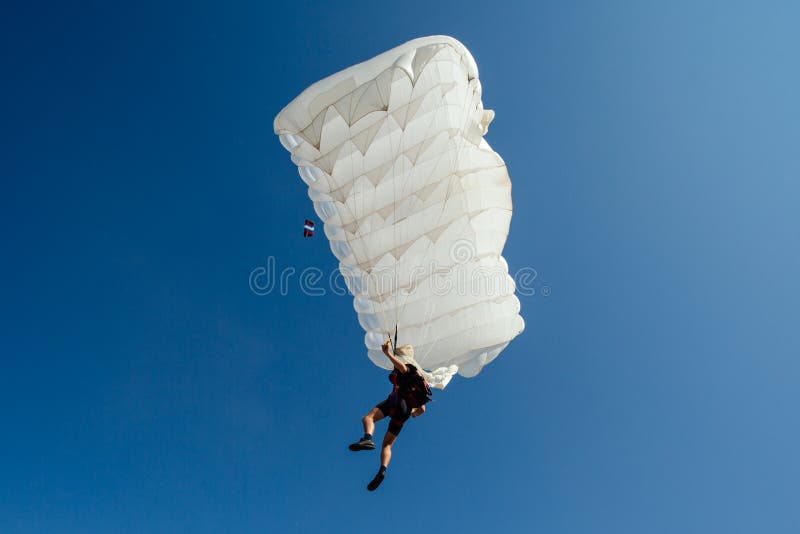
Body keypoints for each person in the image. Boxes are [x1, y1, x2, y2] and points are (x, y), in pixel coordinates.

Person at [349, 338, 432, 491]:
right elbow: (422, 410)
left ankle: (367, 439)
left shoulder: (408, 368)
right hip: (406, 412)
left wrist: (387, 354)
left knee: (368, 418)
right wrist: (411, 414)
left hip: (397, 401)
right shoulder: (419, 380)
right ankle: (382, 470)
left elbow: (402, 367)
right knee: (387, 444)